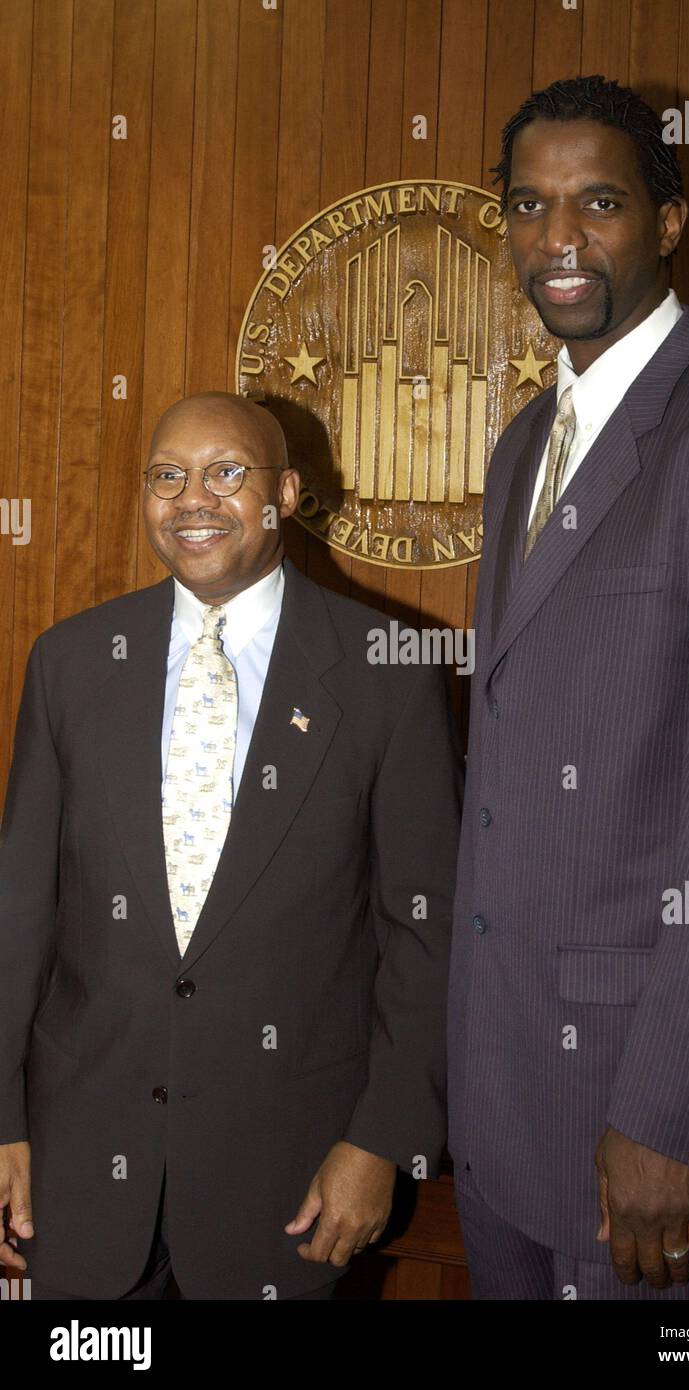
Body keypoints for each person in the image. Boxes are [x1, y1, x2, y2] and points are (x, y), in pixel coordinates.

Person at [447, 74, 689, 1300]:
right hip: (510, 1119)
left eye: (599, 202)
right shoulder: (526, 442)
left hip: (657, 1147)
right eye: (528, 205)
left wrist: (678, 1116)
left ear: (670, 222)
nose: (555, 240)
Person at [0, 391, 463, 1300]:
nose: (191, 499)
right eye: (166, 476)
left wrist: (382, 1137)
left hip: (288, 1182)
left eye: (224, 473)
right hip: (81, 1170)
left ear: (287, 493)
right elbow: (20, 912)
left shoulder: (386, 671)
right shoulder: (71, 664)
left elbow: (427, 930)